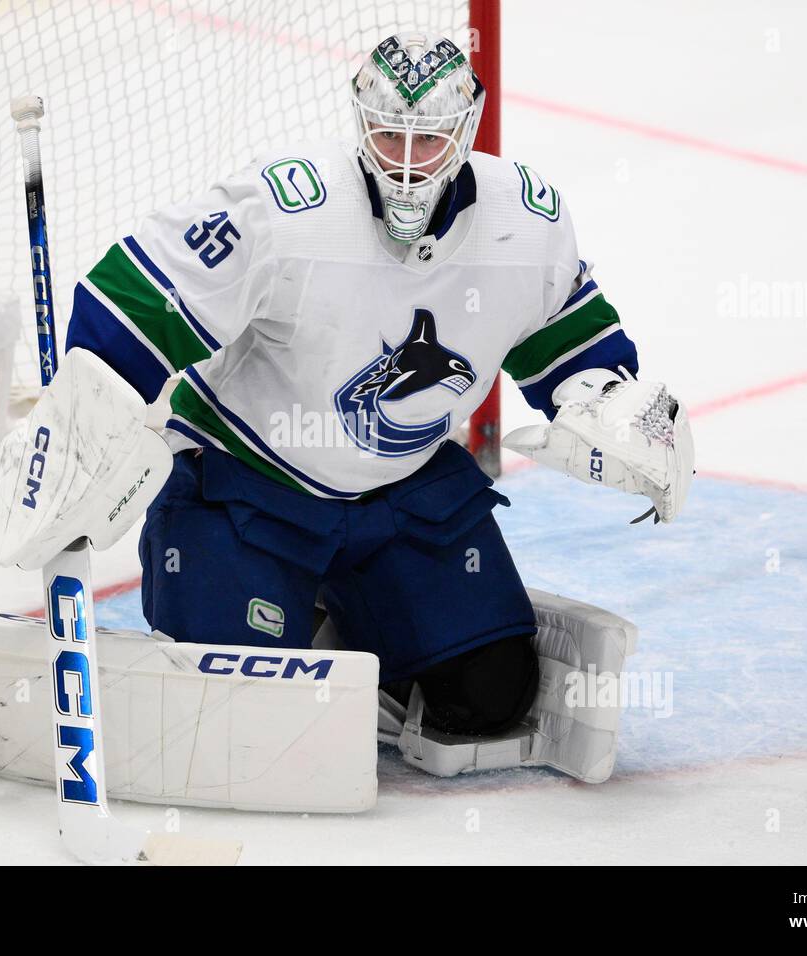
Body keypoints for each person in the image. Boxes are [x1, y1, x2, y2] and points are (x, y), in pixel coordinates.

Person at [64, 31, 690, 740]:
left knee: (490, 698)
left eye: (428, 140)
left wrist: (615, 413)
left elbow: (573, 347)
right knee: (241, 718)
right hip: (250, 491)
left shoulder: (523, 221)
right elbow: (137, 295)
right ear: (360, 122)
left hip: (402, 494)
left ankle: (344, 609)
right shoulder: (289, 204)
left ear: (467, 127)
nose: (406, 161)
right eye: (390, 135)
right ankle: (290, 596)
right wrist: (85, 416)